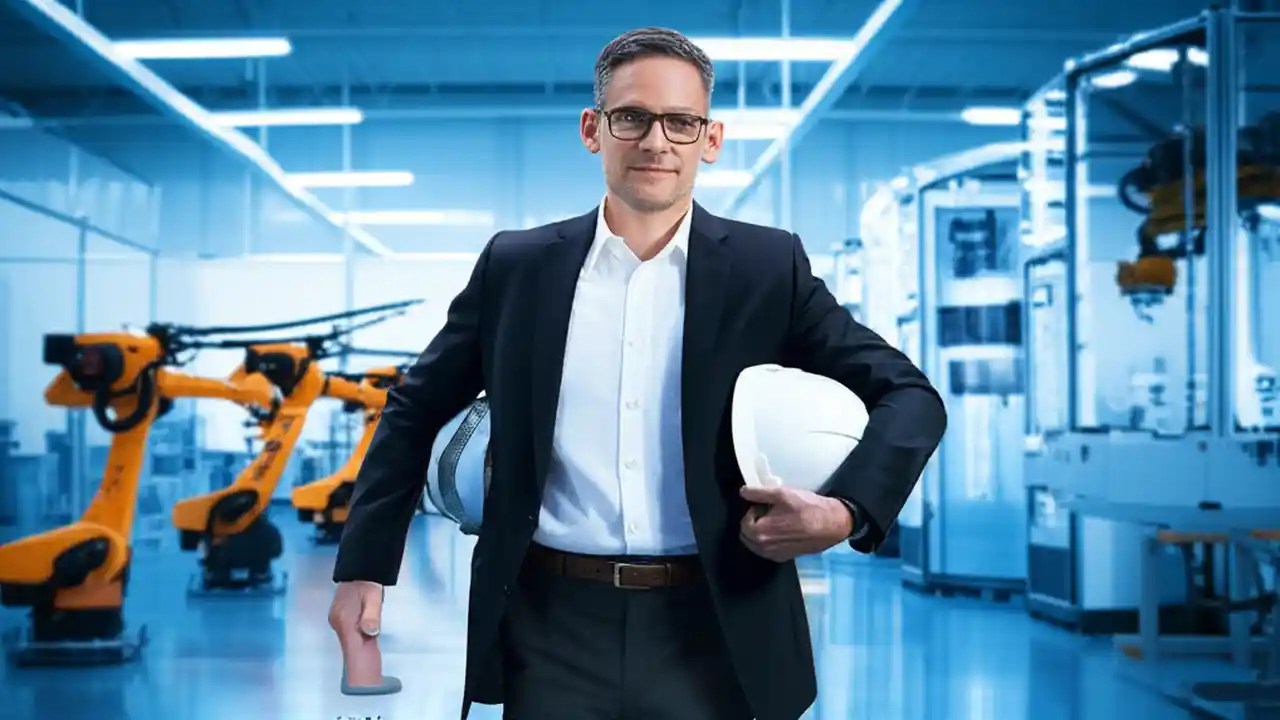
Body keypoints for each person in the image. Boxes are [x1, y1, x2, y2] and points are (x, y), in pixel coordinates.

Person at [329, 26, 947, 720]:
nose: (657, 141)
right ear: (594, 129)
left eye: (681, 122)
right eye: (633, 118)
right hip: (549, 624)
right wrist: (364, 565)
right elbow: (413, 408)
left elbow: (910, 396)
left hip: (716, 623)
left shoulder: (766, 271)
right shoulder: (518, 268)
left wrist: (845, 511)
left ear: (709, 139)